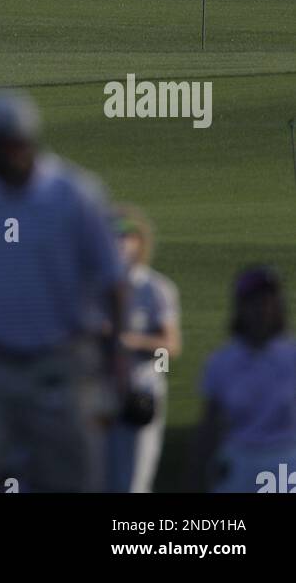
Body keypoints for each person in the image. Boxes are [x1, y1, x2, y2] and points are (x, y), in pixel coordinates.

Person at [0, 90, 126, 493]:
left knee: (66, 479)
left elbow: (113, 280)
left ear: (11, 145)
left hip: (61, 361)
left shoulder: (75, 195)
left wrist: (117, 360)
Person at [190, 266, 296, 493]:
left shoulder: (291, 358)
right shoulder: (221, 362)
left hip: (285, 461)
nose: (262, 309)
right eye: (254, 302)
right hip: (238, 461)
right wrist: (197, 474)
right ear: (240, 308)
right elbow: (209, 426)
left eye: (268, 301)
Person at [105, 207, 181, 493]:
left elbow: (170, 346)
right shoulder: (93, 286)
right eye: (112, 235)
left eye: (126, 235)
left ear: (140, 241)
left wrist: (132, 342)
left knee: (132, 483)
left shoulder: (155, 289)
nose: (119, 242)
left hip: (140, 394)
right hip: (98, 392)